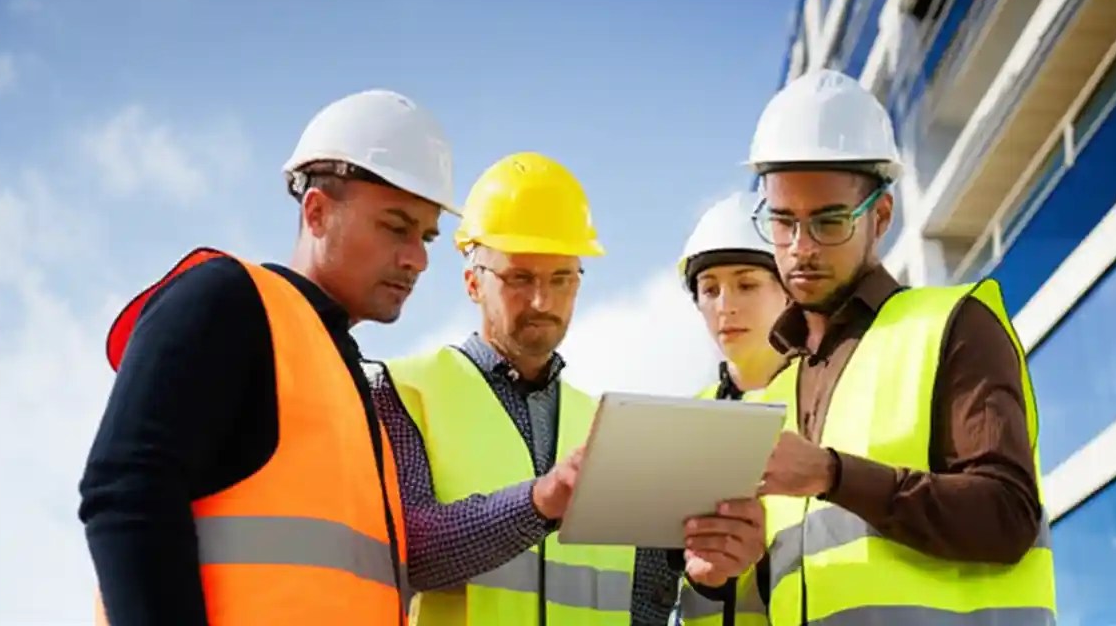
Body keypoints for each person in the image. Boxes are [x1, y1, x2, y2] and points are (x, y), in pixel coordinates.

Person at [78, 89, 459, 625]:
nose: (417, 258)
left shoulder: (345, 378)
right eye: (396, 227)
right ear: (318, 211)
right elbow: (126, 490)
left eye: (427, 237)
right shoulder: (228, 301)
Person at [373, 152, 766, 625]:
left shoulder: (605, 426)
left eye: (561, 279)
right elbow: (409, 554)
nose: (542, 300)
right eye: (519, 278)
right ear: (473, 282)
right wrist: (540, 501)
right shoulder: (406, 394)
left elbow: (643, 608)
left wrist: (705, 581)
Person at [732, 69, 1057, 625]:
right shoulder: (768, 398)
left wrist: (834, 475)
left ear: (880, 216)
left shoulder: (953, 325)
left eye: (828, 222)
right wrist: (721, 570)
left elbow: (1008, 516)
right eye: (782, 222)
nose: (800, 248)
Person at [673, 191, 788, 625]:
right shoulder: (684, 424)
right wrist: (705, 582)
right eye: (710, 289)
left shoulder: (829, 394)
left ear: (790, 291)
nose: (726, 306)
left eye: (747, 284)